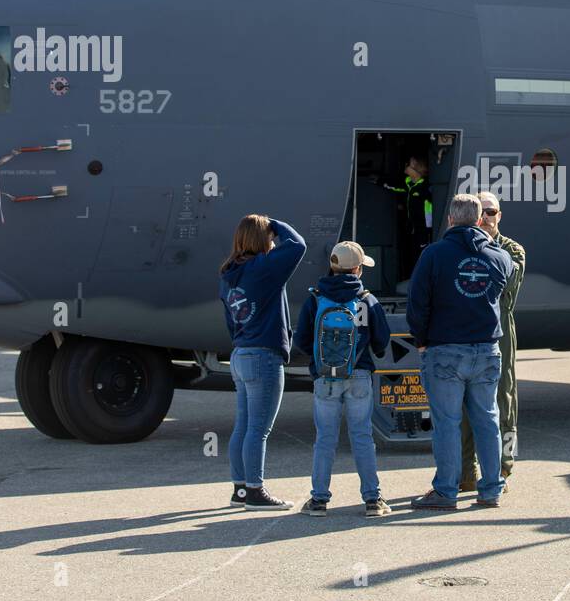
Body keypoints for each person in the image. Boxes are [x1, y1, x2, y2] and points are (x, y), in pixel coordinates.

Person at [407, 193, 512, 509]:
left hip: (445, 350)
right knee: (487, 420)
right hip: (487, 349)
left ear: (450, 220)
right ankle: (492, 488)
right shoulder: (500, 257)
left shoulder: (434, 255)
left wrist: (421, 338)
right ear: (480, 220)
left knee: (447, 423)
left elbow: (418, 302)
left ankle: (446, 491)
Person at [293, 241, 392, 518]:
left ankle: (319, 500)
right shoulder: (367, 299)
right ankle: (373, 500)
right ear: (358, 269)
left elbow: (300, 340)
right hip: (359, 374)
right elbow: (382, 340)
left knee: (325, 438)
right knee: (361, 436)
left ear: (333, 267)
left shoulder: (315, 298)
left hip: (325, 377)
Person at [219, 214, 307, 511]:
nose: (272, 241)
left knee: (243, 426)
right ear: (261, 239)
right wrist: (275, 222)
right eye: (268, 237)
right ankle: (256, 491)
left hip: (241, 353)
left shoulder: (228, 274)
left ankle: (241, 489)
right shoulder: (264, 268)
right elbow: (297, 245)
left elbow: (231, 323)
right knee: (259, 429)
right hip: (264, 356)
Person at [460, 191, 526, 490]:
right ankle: (467, 471)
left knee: (504, 398)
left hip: (500, 330)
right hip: (470, 331)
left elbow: (503, 287)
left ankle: (503, 467)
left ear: (499, 216)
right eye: (482, 212)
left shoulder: (512, 250)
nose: (487, 217)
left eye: (492, 212)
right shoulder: (463, 246)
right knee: (465, 405)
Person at [382, 154, 432, 281]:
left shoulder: (426, 187)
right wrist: (379, 181)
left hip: (424, 232)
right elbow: (397, 187)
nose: (405, 166)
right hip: (412, 229)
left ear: (416, 168)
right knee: (411, 255)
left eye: (408, 164)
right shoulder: (409, 184)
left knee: (421, 257)